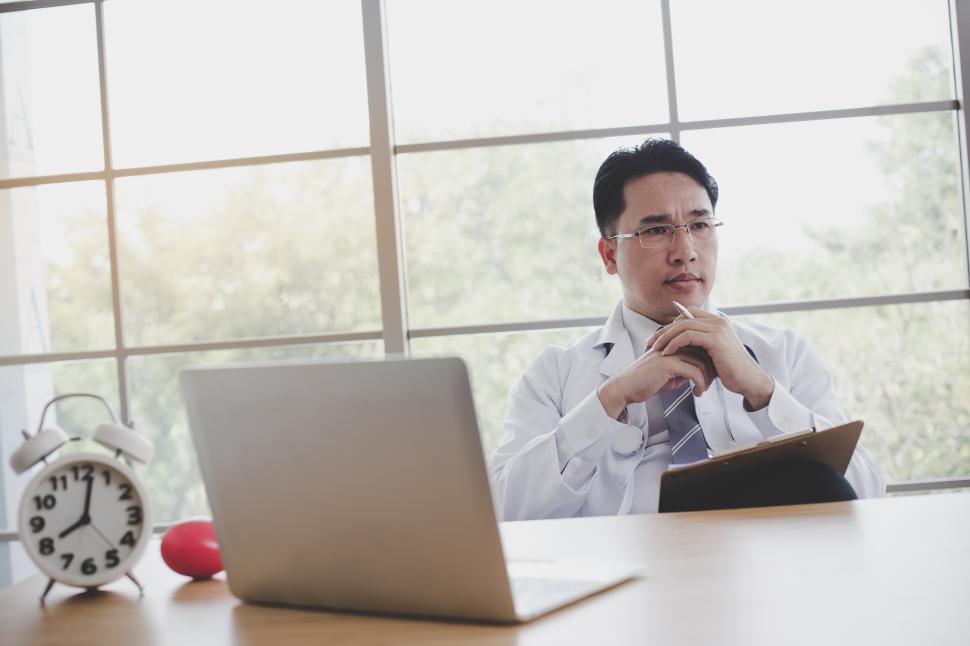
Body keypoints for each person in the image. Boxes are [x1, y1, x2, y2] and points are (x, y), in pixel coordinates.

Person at [488, 138, 885, 520]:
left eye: (699, 225)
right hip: (623, 576)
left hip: (764, 571)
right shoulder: (555, 374)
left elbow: (865, 495)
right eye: (656, 230)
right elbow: (506, 512)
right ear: (610, 254)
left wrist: (763, 394)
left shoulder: (784, 354)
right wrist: (610, 399)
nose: (686, 251)